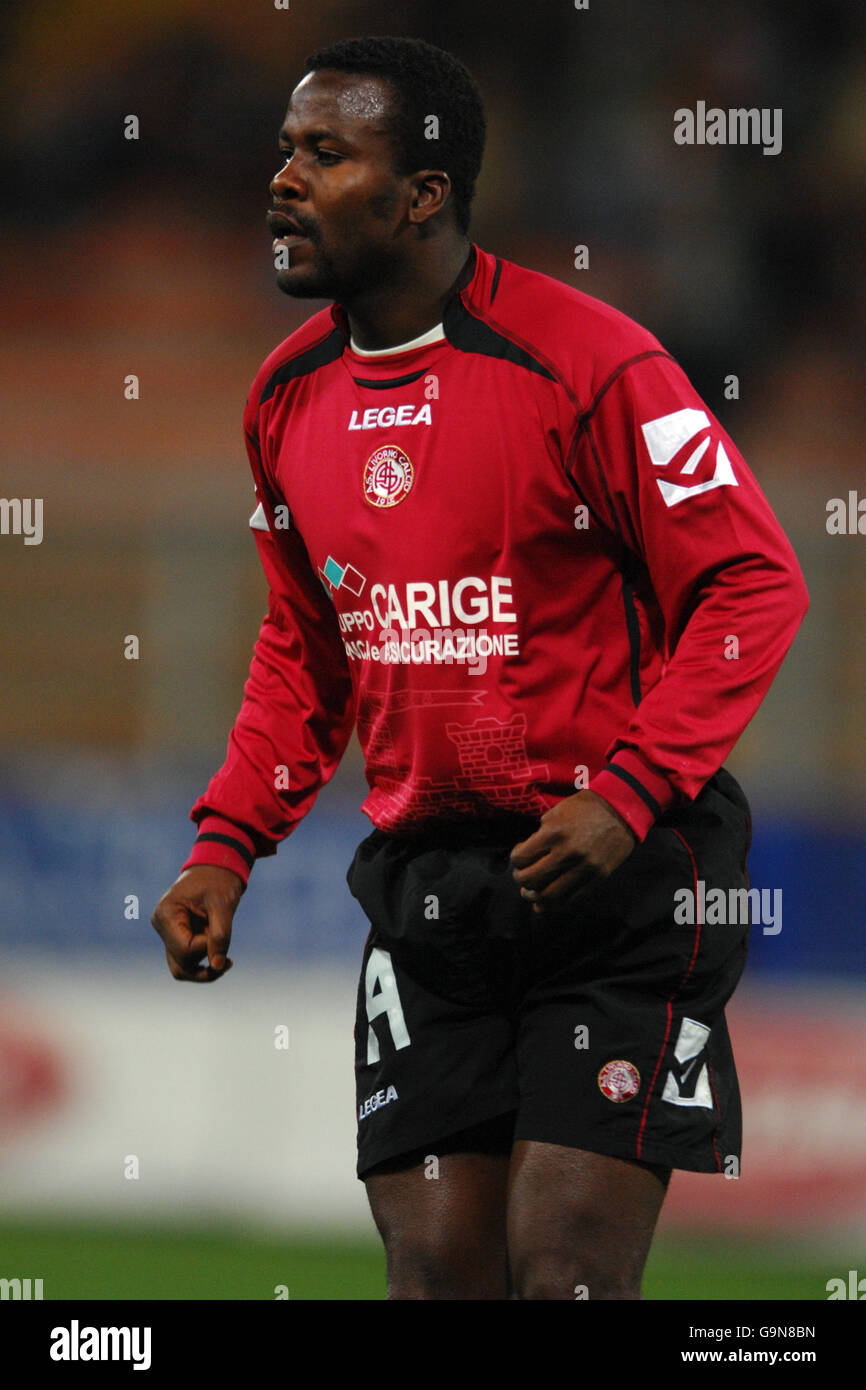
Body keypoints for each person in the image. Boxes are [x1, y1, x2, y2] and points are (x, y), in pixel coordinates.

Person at [151, 36, 808, 1300]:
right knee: (440, 1279)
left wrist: (626, 792)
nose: (281, 180)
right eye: (285, 151)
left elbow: (752, 581)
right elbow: (304, 646)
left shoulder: (591, 361)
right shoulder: (284, 399)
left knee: (561, 1270)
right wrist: (225, 843)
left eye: (324, 154)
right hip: (430, 894)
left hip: (618, 882)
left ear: (422, 194)